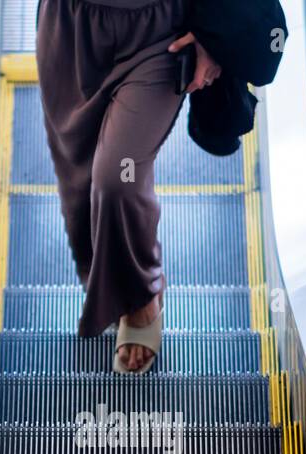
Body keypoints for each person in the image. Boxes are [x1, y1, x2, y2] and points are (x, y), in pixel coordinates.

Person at [36, 0, 223, 374]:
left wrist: (220, 34)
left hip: (159, 33)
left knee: (117, 177)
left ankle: (140, 292)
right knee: (79, 180)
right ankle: (106, 282)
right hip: (72, 29)